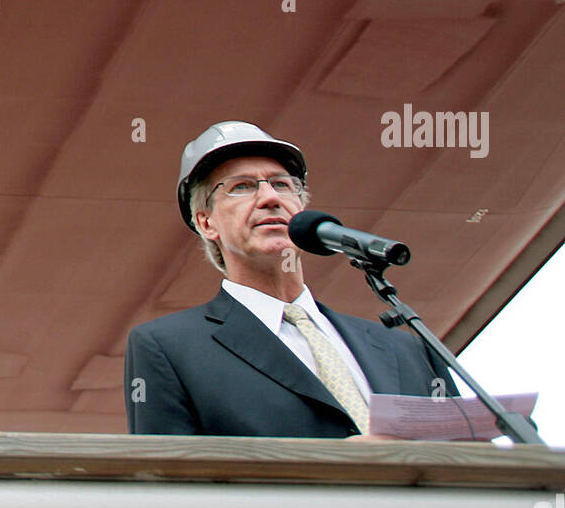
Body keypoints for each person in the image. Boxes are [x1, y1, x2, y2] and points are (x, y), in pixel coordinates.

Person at [124, 120, 458, 437]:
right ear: (206, 223)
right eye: (241, 187)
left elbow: (466, 460)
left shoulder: (409, 349)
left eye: (282, 184)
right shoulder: (167, 348)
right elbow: (170, 482)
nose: (270, 198)